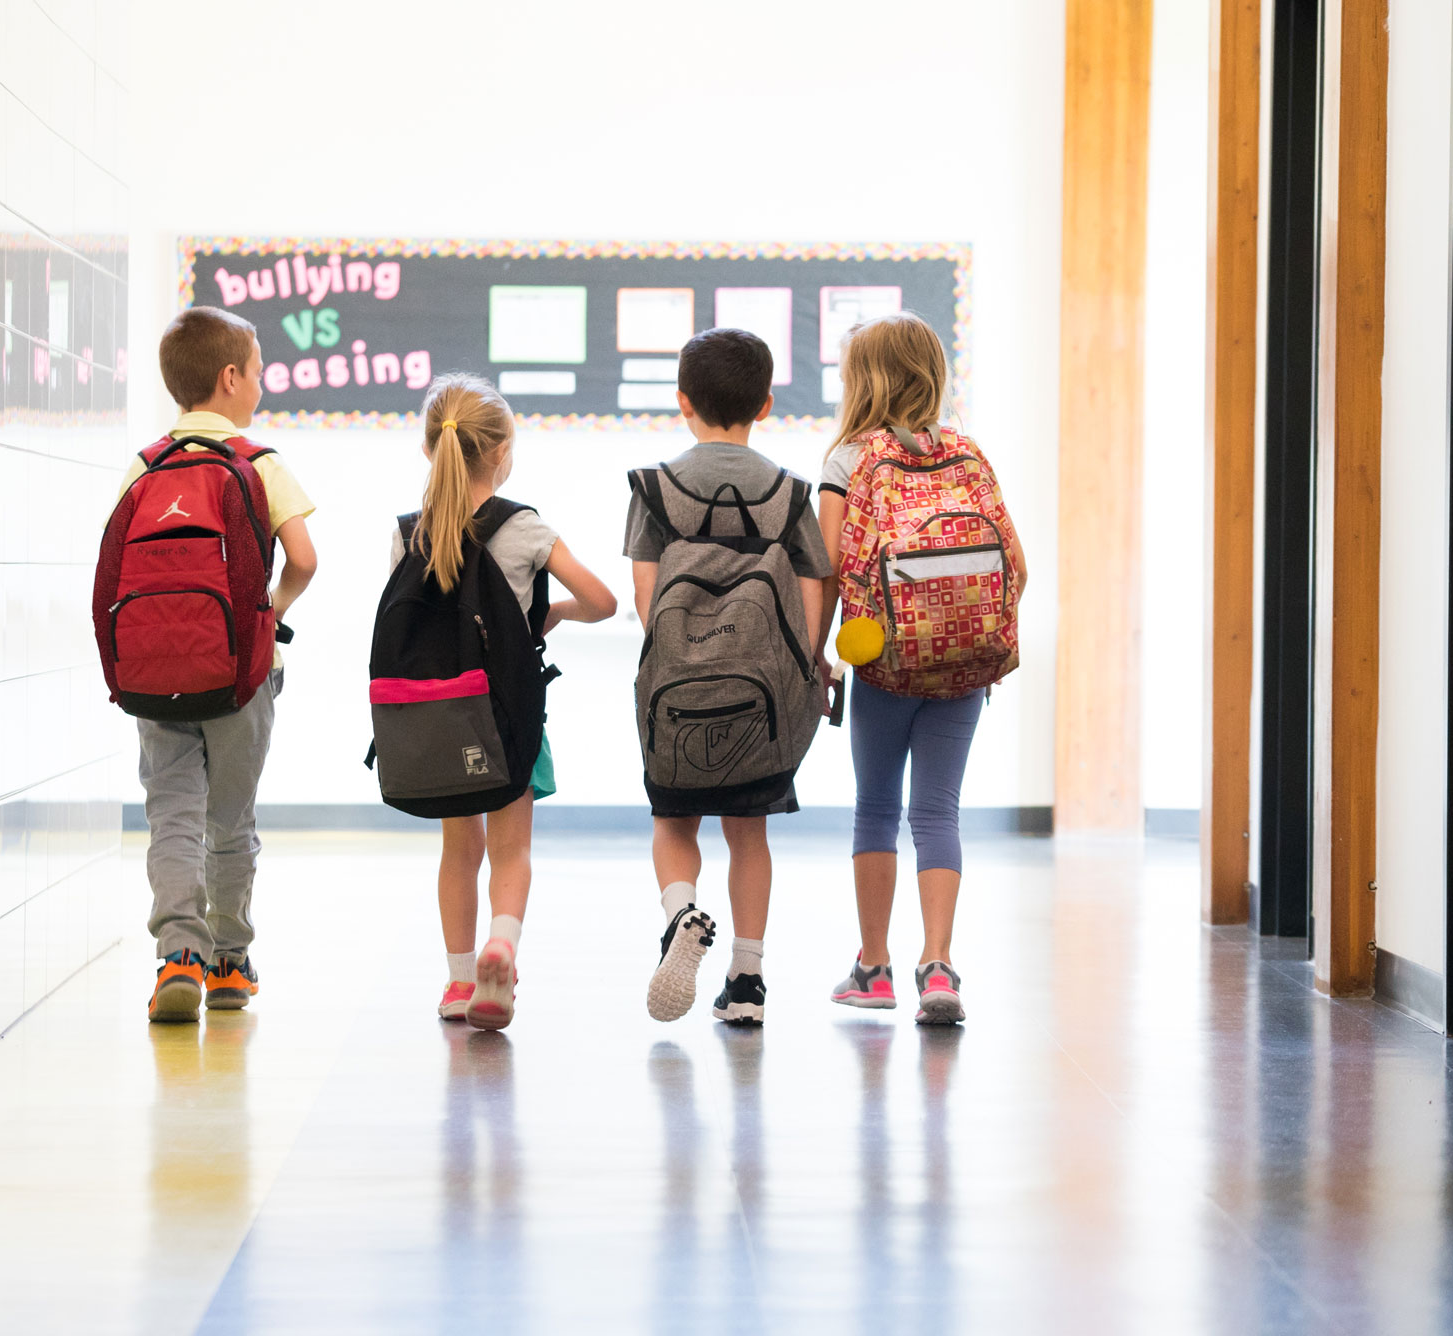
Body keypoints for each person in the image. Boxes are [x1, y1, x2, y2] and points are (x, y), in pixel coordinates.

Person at [816, 312, 1027, 1024]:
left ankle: (873, 969)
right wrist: (983, 638)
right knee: (939, 811)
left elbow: (828, 570)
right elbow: (1015, 566)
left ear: (861, 378)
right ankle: (938, 968)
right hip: (963, 669)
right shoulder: (966, 456)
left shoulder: (849, 461)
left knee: (877, 806)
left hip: (881, 668)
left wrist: (817, 657)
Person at [393, 374, 617, 1029]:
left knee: (457, 851)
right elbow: (603, 601)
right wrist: (554, 617)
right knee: (511, 849)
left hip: (437, 718)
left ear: (432, 450)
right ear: (501, 453)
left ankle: (461, 981)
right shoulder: (525, 528)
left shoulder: (410, 533)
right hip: (509, 716)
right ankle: (503, 947)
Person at [626, 328, 832, 1025]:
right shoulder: (788, 495)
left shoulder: (655, 490)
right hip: (759, 698)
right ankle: (746, 981)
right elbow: (812, 597)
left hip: (676, 691)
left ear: (683, 401)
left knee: (673, 820)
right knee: (749, 833)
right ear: (766, 403)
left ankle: (682, 913)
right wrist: (804, 670)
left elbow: (646, 602)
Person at [126, 307, 317, 1022]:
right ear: (230, 378)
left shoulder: (144, 467)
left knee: (171, 815)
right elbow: (303, 559)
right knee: (231, 821)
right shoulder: (259, 463)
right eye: (259, 372)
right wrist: (269, 613)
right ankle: (231, 966)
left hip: (154, 675)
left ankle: (179, 954)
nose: (261, 387)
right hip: (240, 672)